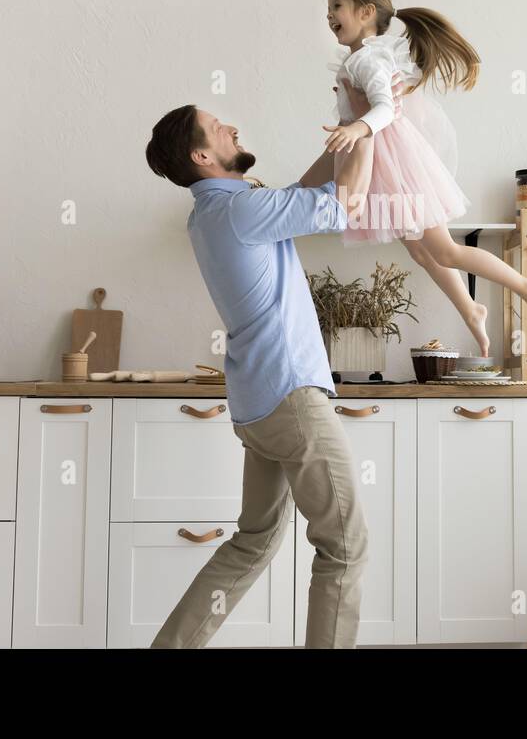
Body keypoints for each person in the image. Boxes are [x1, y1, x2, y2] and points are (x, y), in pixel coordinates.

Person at [144, 100, 376, 648]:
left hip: (258, 403)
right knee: (345, 545)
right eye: (217, 126)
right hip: (292, 397)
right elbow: (346, 205)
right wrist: (372, 122)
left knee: (253, 541)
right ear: (203, 154)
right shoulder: (241, 211)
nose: (231, 126)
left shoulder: (216, 212)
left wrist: (344, 133)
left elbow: (300, 191)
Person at [322, 0, 527, 358]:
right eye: (327, 9)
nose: (329, 16)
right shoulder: (358, 60)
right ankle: (471, 308)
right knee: (420, 251)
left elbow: (383, 108)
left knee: (444, 251)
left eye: (336, 6)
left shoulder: (367, 60)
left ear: (365, 12)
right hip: (381, 166)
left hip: (395, 166)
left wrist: (358, 127)